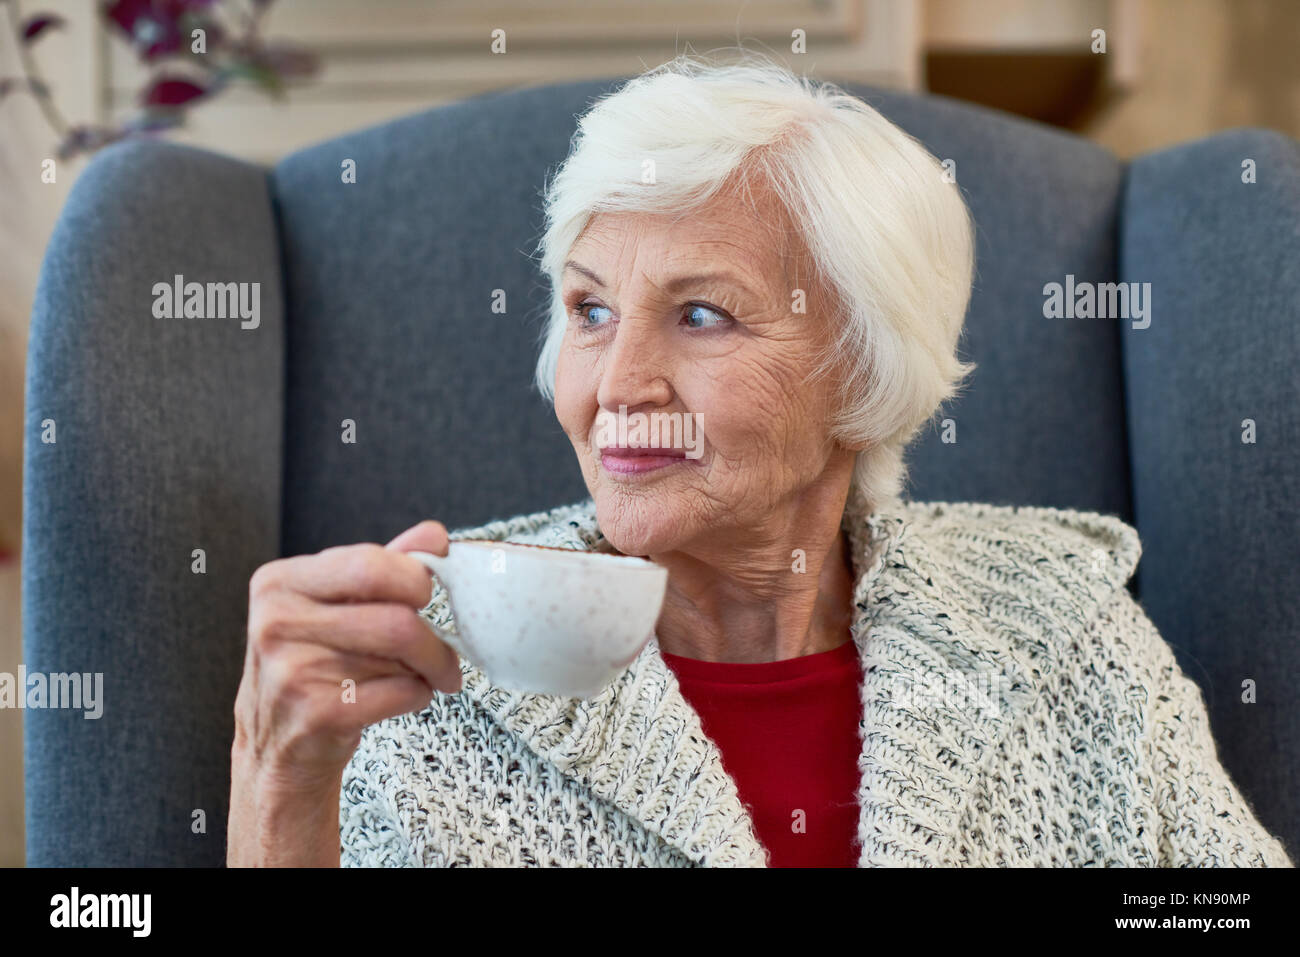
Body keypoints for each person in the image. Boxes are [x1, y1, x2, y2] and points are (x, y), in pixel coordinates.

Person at [226, 53, 1293, 868]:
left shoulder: (1057, 622)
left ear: (864, 371)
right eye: (590, 309)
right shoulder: (424, 666)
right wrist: (279, 784)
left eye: (700, 314)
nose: (618, 382)